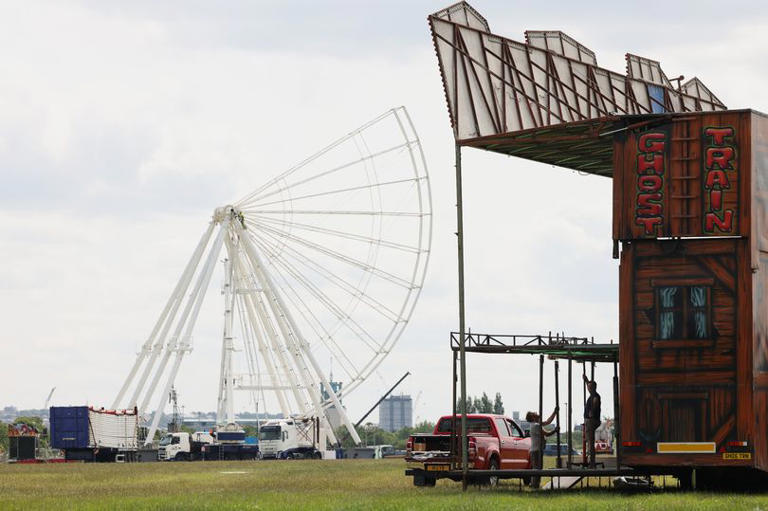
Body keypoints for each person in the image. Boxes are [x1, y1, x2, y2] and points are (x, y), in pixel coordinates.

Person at [525, 407, 559, 488]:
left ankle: (535, 485)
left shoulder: (536, 424)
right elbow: (546, 434)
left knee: (537, 468)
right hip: (536, 451)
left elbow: (548, 421)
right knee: (537, 469)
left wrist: (554, 412)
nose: (537, 413)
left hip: (536, 450)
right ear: (533, 417)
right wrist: (555, 430)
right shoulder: (536, 426)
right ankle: (534, 485)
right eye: (535, 413)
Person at [583, 374, 601, 468]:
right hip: (591, 420)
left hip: (591, 420)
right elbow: (590, 387)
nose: (588, 389)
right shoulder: (593, 394)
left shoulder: (595, 396)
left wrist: (592, 412)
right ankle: (591, 462)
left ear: (593, 388)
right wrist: (586, 381)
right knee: (589, 441)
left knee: (590, 441)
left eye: (589, 387)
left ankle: (592, 463)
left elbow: (595, 402)